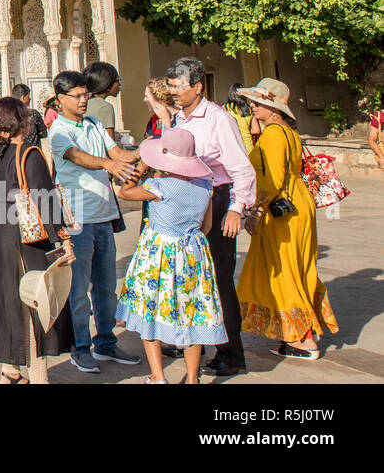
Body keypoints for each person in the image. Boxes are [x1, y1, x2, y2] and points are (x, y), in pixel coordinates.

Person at [46, 70, 142, 373]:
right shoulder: (59, 130)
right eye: (78, 95)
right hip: (78, 219)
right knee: (78, 289)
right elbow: (76, 156)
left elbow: (116, 153)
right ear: (61, 100)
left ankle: (106, 343)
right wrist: (107, 163)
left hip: (103, 216)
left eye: (86, 94)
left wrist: (148, 151)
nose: (84, 99)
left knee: (105, 286)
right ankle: (81, 347)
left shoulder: (94, 124)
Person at [115, 127, 227, 384]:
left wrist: (141, 169)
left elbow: (125, 192)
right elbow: (206, 226)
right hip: (192, 252)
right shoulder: (204, 186)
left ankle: (158, 376)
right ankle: (192, 379)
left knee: (149, 310)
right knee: (192, 313)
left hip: (159, 253)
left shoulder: (159, 185)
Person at [167, 57, 257, 377]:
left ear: (197, 86)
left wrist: (236, 208)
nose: (174, 91)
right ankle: (196, 343)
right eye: (171, 86)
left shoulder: (218, 119)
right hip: (189, 203)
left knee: (219, 280)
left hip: (217, 202)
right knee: (193, 279)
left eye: (179, 86)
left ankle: (231, 353)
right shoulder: (179, 119)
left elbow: (242, 169)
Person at [236, 78, 339, 359]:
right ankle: (303, 333)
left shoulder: (273, 135)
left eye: (259, 104)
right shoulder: (287, 132)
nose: (253, 107)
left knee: (284, 271)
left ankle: (303, 338)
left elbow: (273, 180)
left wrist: (256, 212)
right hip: (298, 204)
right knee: (299, 268)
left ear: (274, 109)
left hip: (281, 210)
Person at [0, 96, 74, 383]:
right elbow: (45, 201)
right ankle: (39, 374)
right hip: (23, 234)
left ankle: (9, 370)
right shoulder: (29, 154)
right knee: (34, 299)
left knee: (7, 296)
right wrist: (63, 239)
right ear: (21, 120)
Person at [83, 61, 121, 144]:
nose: (119, 84)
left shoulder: (83, 103)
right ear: (106, 84)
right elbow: (110, 144)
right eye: (117, 80)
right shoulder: (105, 107)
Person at [11, 82, 47, 147]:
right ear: (23, 97)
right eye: (28, 96)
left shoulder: (9, 115)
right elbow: (44, 133)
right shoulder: (33, 114)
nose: (30, 98)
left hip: (16, 152)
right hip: (32, 152)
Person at [225, 82, 257, 154]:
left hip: (235, 148)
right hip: (249, 147)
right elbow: (256, 130)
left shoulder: (226, 108)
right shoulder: (248, 109)